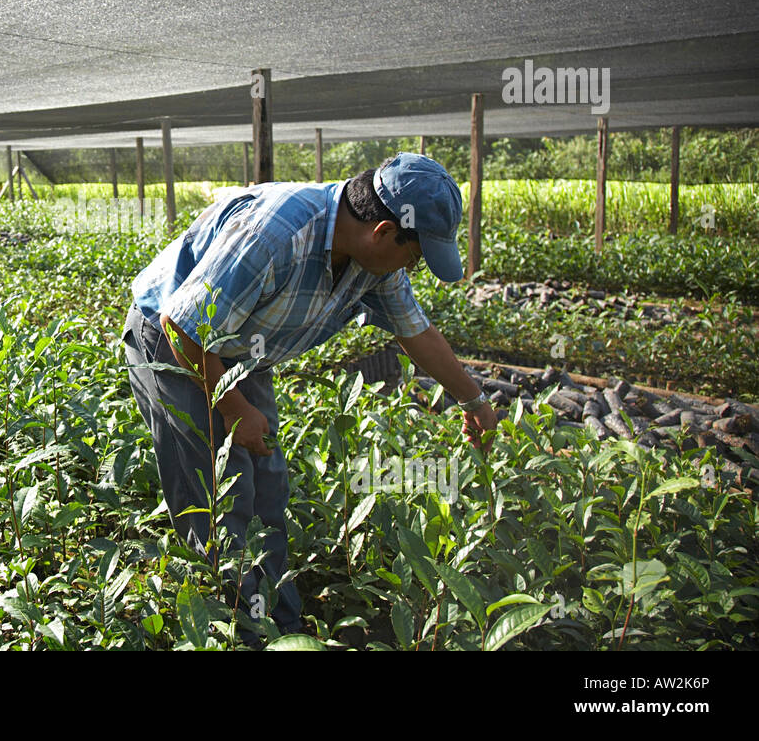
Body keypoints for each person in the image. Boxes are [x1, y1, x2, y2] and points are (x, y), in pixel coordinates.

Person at [120, 152, 498, 641]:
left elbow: (417, 333)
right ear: (383, 231)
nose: (413, 267)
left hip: (238, 347)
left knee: (269, 485)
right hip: (175, 346)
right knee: (222, 495)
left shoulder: (372, 263)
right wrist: (235, 410)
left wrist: (475, 401)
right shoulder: (277, 234)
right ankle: (237, 630)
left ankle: (281, 622)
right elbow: (184, 329)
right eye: (414, 256)